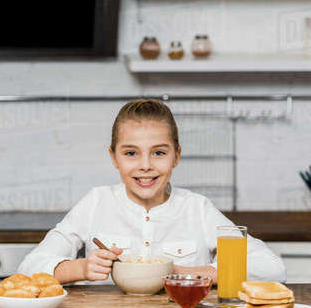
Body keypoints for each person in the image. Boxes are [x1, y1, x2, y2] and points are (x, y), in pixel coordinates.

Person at [18, 99, 286, 285]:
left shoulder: (197, 209)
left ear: (176, 156)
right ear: (114, 157)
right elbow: (28, 267)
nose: (145, 166)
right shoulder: (96, 202)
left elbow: (271, 268)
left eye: (158, 152)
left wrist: (188, 273)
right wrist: (80, 268)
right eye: (131, 153)